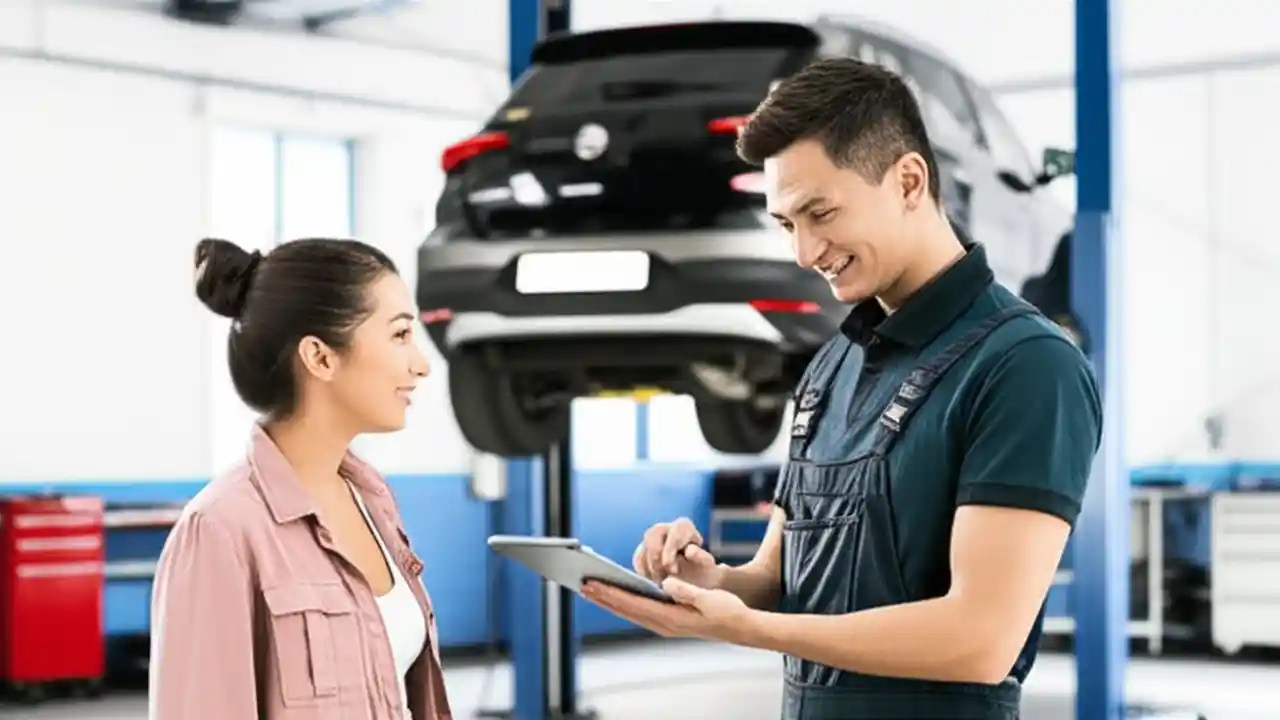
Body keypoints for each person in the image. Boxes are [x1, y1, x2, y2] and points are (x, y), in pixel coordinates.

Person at [582, 57, 1103, 719]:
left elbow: (980, 640)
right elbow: (779, 577)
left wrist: (745, 629)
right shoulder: (831, 368)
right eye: (785, 224)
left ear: (909, 181)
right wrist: (711, 583)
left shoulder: (1026, 366)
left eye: (820, 213)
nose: (803, 251)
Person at [149, 238, 453, 719]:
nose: (421, 364)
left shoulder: (373, 502)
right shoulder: (220, 530)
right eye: (399, 336)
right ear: (320, 357)